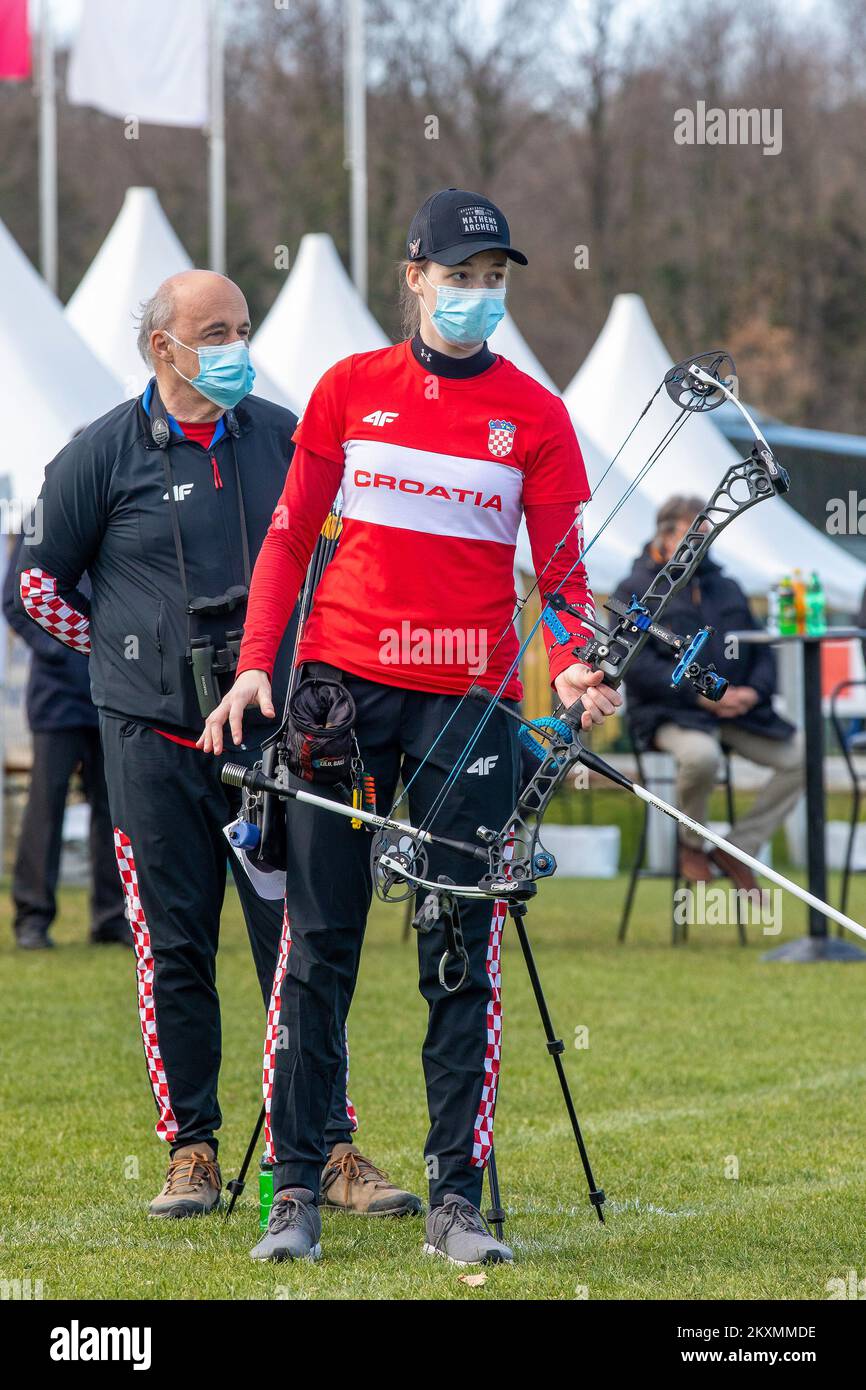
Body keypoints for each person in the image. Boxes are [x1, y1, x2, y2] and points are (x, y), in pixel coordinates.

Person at [201, 188, 621, 1265]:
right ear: (414, 276)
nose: (476, 296)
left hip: (466, 703)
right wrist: (256, 666)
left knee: (459, 949)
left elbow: (563, 571)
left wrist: (573, 659)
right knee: (319, 946)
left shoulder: (534, 415)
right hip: (340, 696)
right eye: (459, 276)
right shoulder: (348, 390)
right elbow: (290, 541)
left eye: (493, 280)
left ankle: (455, 1199)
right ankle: (293, 1189)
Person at [17, 269, 418, 1221]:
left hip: (280, 743)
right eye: (216, 331)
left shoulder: (288, 435)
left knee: (306, 944)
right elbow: (36, 587)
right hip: (151, 743)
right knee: (174, 948)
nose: (237, 344)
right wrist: (128, 660)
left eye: (243, 326)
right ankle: (191, 1149)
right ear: (163, 345)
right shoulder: (97, 453)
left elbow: (350, 554)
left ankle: (324, 1146)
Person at [614, 494, 804, 887]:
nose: (702, 543)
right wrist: (696, 696)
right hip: (671, 714)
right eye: (693, 535)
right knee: (702, 757)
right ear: (666, 537)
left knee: (802, 756)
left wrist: (753, 692)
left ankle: (736, 850)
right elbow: (635, 666)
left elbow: (760, 647)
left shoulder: (727, 585)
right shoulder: (635, 589)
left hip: (738, 710)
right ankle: (692, 845)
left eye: (706, 535)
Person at [3, 527, 129, 950]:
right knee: (46, 806)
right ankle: (32, 919)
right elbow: (14, 600)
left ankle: (113, 917)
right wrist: (62, 648)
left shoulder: (117, 512)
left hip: (113, 692)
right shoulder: (46, 514)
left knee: (114, 811)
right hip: (57, 696)